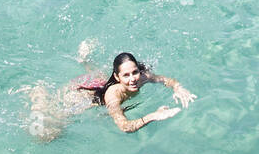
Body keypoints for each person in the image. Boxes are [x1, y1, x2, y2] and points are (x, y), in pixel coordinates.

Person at [20, 44, 195, 141]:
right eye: (126, 75)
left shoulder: (142, 77)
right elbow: (125, 127)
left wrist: (179, 88)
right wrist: (154, 115)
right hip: (82, 98)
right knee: (49, 135)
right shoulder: (113, 95)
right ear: (118, 77)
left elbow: (166, 80)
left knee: (100, 79)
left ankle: (85, 60)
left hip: (100, 84)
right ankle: (37, 92)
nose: (133, 79)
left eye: (134, 72)